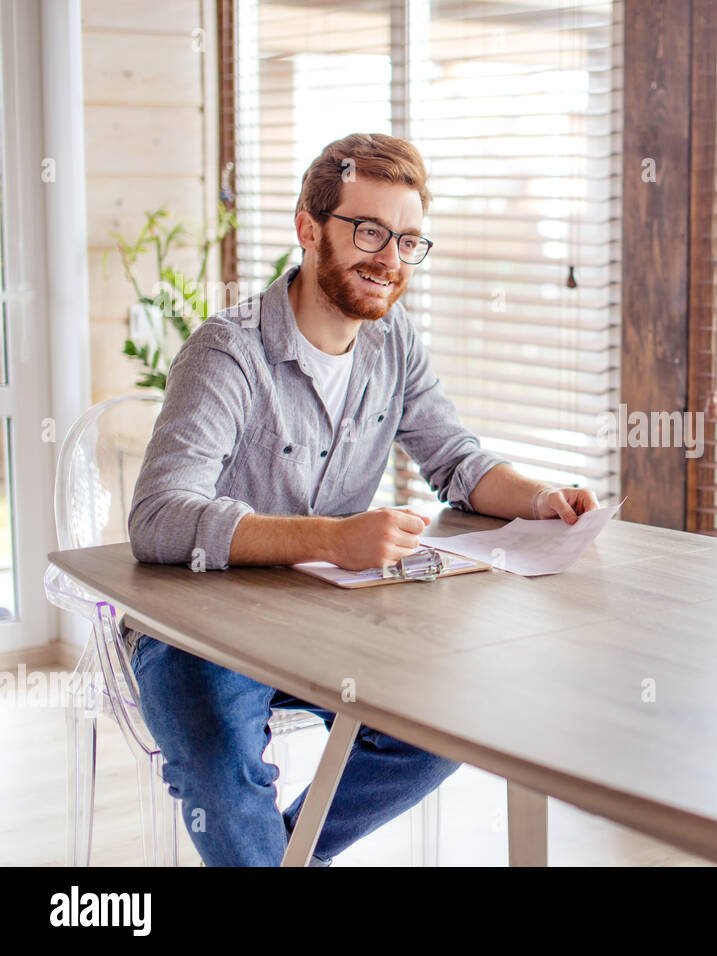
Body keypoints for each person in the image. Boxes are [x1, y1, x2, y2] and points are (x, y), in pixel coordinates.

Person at [125, 132, 600, 866]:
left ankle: (288, 855)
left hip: (325, 623)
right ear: (308, 228)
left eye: (408, 240)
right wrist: (328, 538)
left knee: (449, 721)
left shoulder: (393, 343)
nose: (389, 259)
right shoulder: (229, 351)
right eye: (369, 231)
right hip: (201, 630)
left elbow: (457, 458)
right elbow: (158, 516)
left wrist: (542, 500)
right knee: (221, 765)